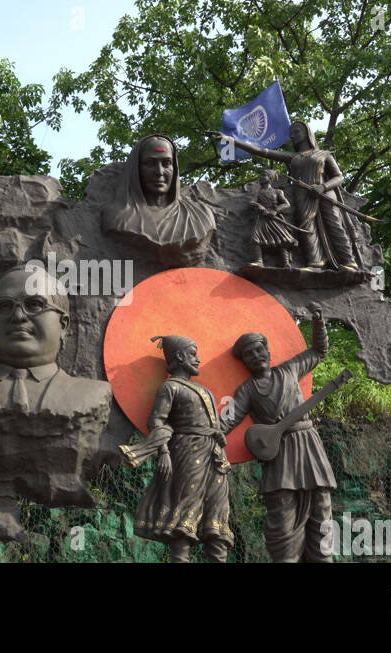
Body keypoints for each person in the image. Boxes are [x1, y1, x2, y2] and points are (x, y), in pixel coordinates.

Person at [0, 265, 113, 506]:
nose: (18, 316)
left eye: (34, 305)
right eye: (5, 306)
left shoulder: (93, 394)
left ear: (63, 325)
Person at [220, 303, 336, 562]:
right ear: (245, 361)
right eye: (249, 353)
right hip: (279, 454)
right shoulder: (247, 390)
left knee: (321, 509)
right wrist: (208, 435)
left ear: (268, 350)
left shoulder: (290, 369)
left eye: (259, 349)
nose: (256, 355)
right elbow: (228, 420)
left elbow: (319, 351)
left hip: (308, 446)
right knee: (281, 517)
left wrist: (318, 323)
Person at [119, 335, 233, 563]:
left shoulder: (205, 391)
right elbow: (156, 421)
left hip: (215, 457)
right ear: (179, 356)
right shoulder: (170, 387)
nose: (198, 360)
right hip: (187, 453)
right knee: (184, 515)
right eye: (193, 354)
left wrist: (218, 433)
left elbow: (214, 424)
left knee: (217, 518)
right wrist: (163, 453)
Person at [211, 122, 358, 271]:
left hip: (325, 193)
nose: (293, 135)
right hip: (302, 195)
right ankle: (315, 263)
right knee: (307, 227)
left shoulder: (324, 155)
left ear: (308, 133)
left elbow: (339, 177)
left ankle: (348, 262)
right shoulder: (293, 157)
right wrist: (231, 140)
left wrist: (323, 187)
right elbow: (263, 151)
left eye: (297, 131)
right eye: (291, 133)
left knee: (334, 225)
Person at [102, 134, 216, 266]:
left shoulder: (202, 216)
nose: (159, 172)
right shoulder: (118, 217)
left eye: (166, 163)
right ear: (136, 169)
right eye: (150, 163)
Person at [246, 169, 305, 268]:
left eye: (263, 175)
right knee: (255, 238)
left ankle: (285, 262)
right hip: (263, 218)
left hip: (275, 218)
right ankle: (259, 261)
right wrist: (258, 206)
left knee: (282, 239)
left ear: (270, 178)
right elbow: (251, 202)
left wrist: (275, 210)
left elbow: (286, 204)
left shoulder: (277, 191)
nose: (261, 177)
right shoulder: (259, 193)